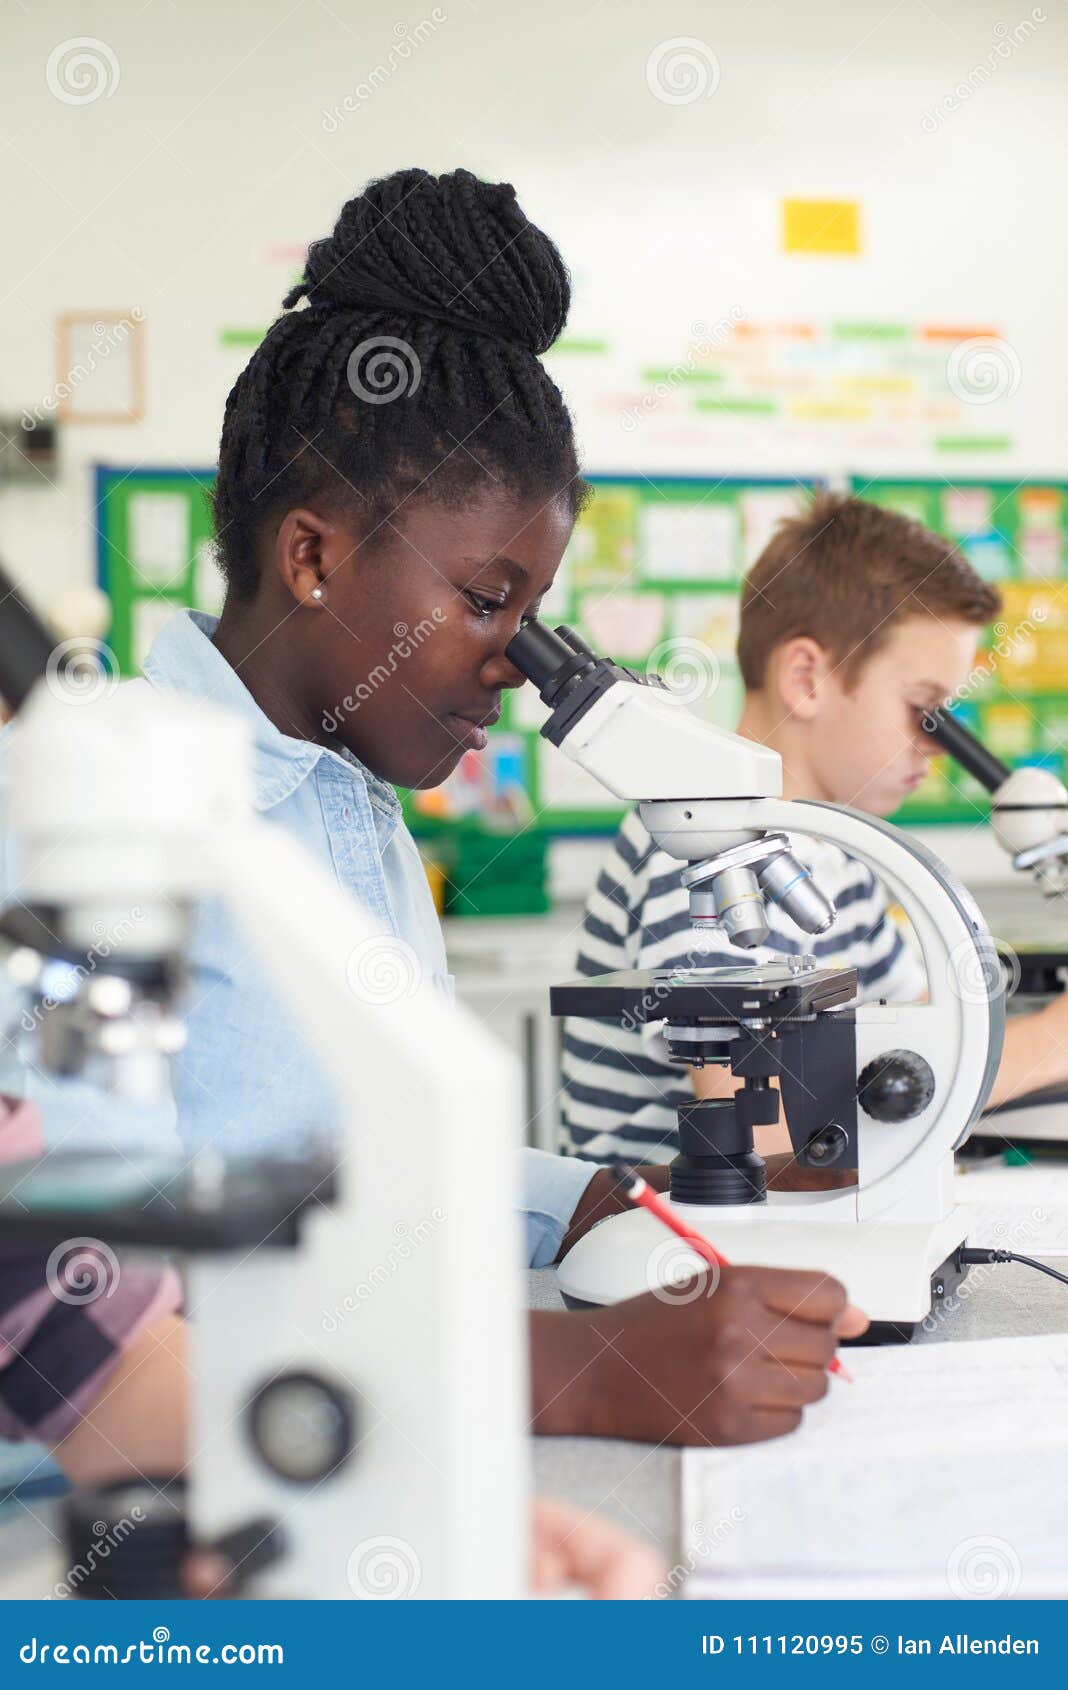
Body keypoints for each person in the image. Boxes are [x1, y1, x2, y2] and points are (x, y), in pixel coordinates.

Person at [0, 170, 863, 1450]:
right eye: (484, 599)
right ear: (312, 556)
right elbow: (84, 1312)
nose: (518, 659)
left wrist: (594, 1203)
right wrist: (581, 1365)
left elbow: (363, 1180)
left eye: (531, 613)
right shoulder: (95, 832)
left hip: (338, 1468)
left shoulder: (357, 812)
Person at [561, 492, 1068, 1166]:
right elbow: (763, 1137)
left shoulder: (842, 855)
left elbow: (924, 1046)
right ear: (807, 678)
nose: (941, 747)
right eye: (926, 712)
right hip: (677, 1248)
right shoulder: (702, 843)